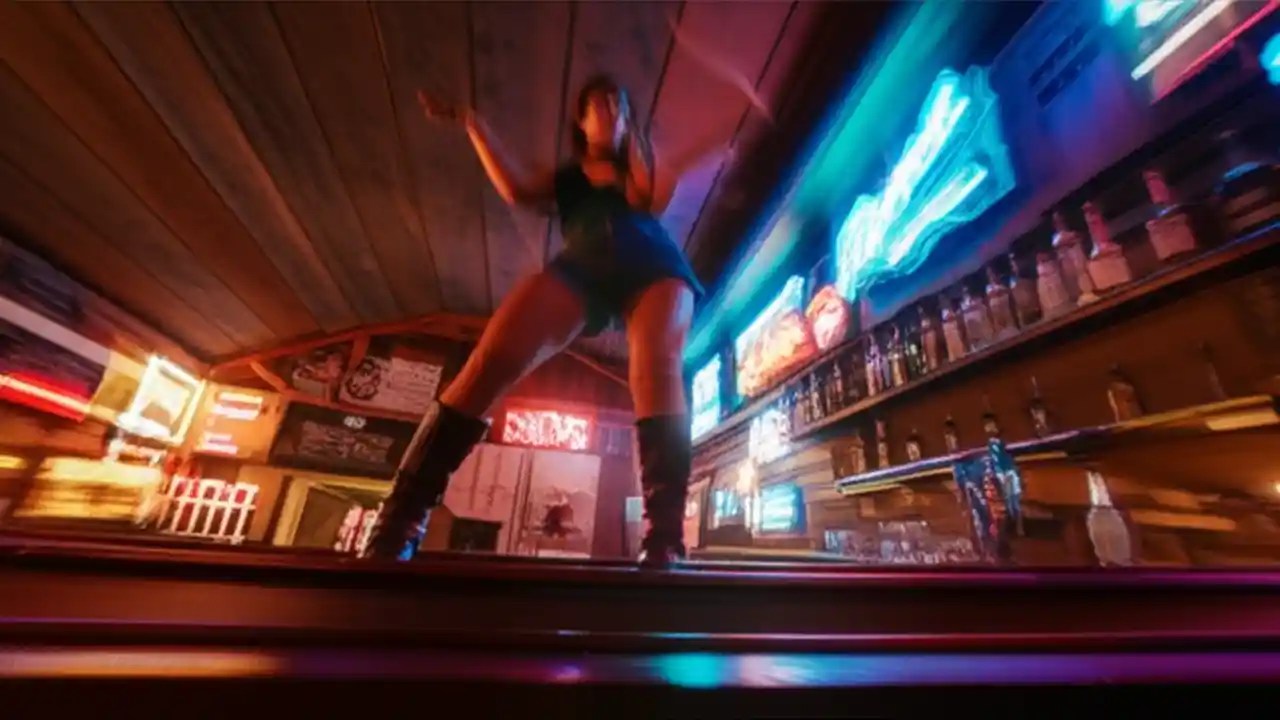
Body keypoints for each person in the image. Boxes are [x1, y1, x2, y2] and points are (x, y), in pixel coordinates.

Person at [363, 75, 733, 567]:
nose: (610, 111)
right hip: (583, 263)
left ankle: (664, 541)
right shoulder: (569, 176)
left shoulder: (637, 170)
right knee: (488, 362)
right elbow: (516, 189)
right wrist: (472, 121)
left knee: (655, 372)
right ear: (579, 121)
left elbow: (655, 196)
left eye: (619, 105)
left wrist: (678, 144)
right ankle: (398, 523)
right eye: (599, 105)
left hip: (653, 263)